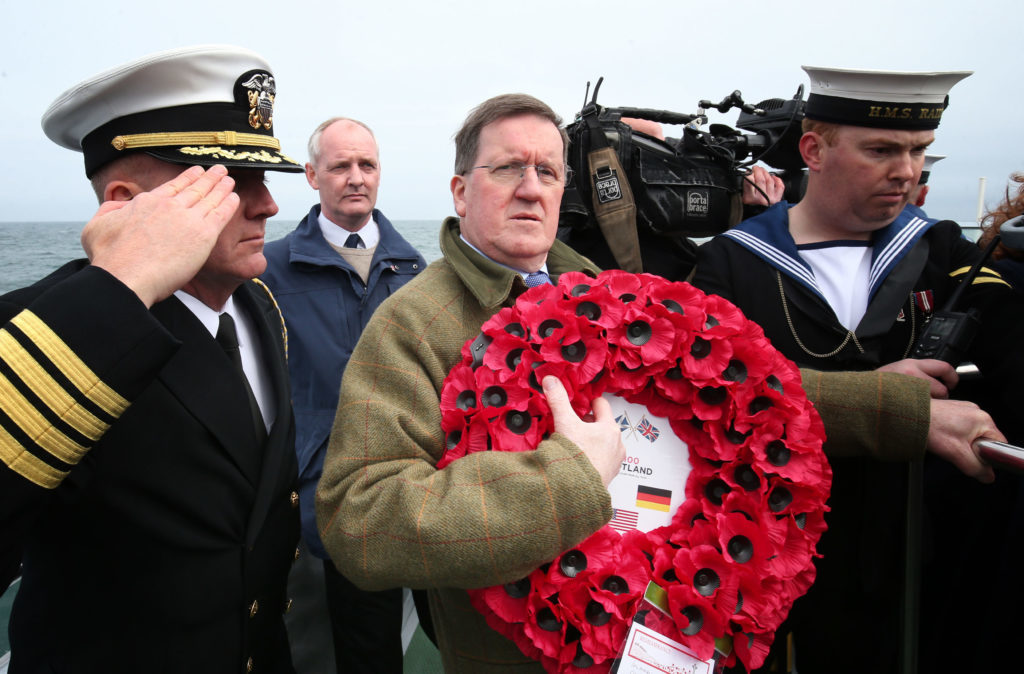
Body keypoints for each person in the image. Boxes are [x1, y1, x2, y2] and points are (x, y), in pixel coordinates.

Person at [314, 93, 993, 672]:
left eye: (548, 170)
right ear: (461, 189)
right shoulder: (414, 325)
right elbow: (362, 520)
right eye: (507, 168)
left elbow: (746, 391)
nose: (530, 186)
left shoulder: (613, 295)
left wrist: (903, 411)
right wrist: (565, 478)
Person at [692, 66, 1015, 673]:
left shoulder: (942, 253)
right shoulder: (728, 267)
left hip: (905, 562)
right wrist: (875, 397)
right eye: (881, 150)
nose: (908, 171)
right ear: (813, 150)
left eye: (919, 151)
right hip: (758, 552)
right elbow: (707, 400)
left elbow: (1011, 342)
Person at [0, 45, 305, 672]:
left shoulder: (258, 306)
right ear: (122, 200)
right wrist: (123, 282)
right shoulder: (35, 330)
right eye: (228, 180)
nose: (267, 204)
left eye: (263, 177)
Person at [261, 117, 426, 672]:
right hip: (330, 491)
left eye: (367, 165)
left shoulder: (415, 270)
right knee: (364, 644)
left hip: (417, 483)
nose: (356, 178)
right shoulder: (271, 270)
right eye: (340, 166)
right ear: (311, 175)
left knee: (442, 618)